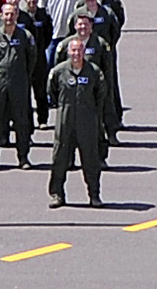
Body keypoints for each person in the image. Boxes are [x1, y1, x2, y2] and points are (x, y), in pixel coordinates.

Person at [46, 36, 110, 209]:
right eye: (73, 50)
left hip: (87, 122)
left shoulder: (93, 72)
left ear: (84, 52)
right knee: (60, 160)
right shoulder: (59, 71)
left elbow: (100, 94)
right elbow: (52, 92)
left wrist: (88, 111)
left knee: (91, 160)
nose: (76, 54)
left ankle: (94, 195)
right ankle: (57, 194)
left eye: (79, 50)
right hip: (65, 122)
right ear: (68, 52)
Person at [0, 6, 39, 169]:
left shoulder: (25, 36)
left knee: (21, 120)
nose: (9, 17)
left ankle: (23, 157)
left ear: (17, 15)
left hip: (19, 82)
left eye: (12, 14)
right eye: (6, 14)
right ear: (1, 15)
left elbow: (31, 59)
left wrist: (22, 75)